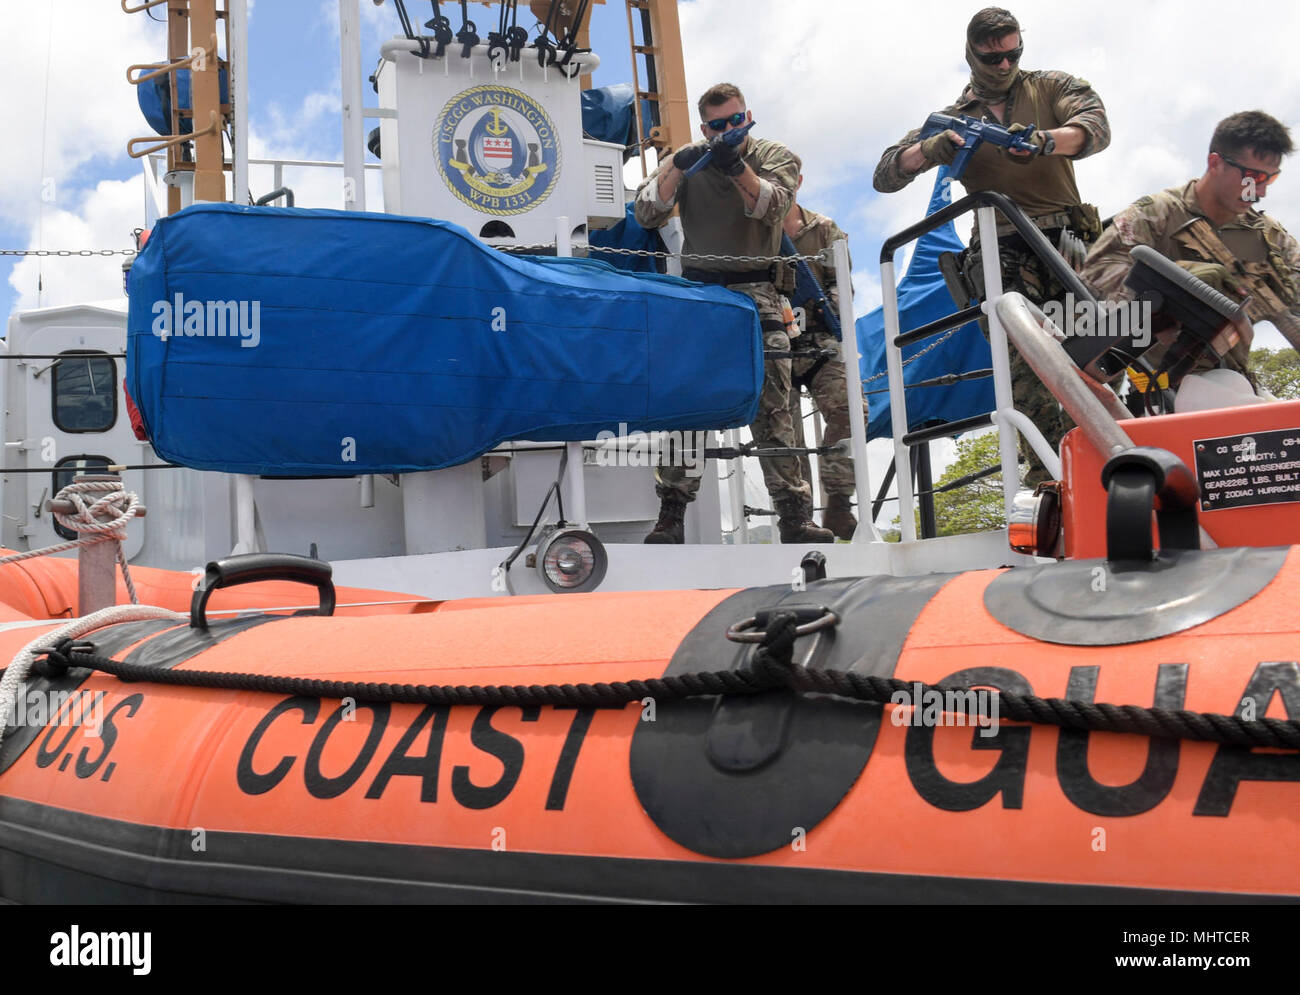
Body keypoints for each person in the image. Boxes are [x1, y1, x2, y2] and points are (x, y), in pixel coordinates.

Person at [873, 7, 1110, 486]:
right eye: (992, 57)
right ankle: (1054, 472)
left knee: (1101, 352)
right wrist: (928, 150)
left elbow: (1095, 127)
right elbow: (885, 176)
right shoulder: (953, 117)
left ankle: (1111, 455)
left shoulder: (1052, 86)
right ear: (972, 55)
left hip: (1069, 243)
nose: (1004, 65)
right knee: (1026, 360)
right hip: (1001, 250)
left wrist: (1045, 140)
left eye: (1012, 54)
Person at [633, 82, 832, 544]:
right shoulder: (688, 157)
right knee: (691, 405)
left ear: (748, 117)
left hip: (758, 291)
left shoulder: (774, 155)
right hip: (702, 294)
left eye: (736, 122)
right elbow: (647, 213)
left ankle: (794, 515)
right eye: (718, 126)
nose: (729, 131)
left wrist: (737, 168)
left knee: (774, 406)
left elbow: (773, 207)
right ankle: (672, 516)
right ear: (705, 127)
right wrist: (677, 170)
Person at [1081, 110, 1300, 394]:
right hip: (1160, 387)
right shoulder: (1157, 214)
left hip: (1234, 383)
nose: (1259, 192)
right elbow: (1097, 271)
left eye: (1268, 180)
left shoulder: (1269, 237)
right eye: (1252, 177)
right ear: (1215, 163)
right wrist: (1172, 295)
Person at [782, 180, 863, 540]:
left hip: (820, 338)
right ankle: (799, 515)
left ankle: (839, 502)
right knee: (785, 432)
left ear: (798, 183)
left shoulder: (825, 230)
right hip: (773, 342)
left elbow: (844, 286)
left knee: (851, 409)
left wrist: (827, 305)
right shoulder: (751, 232)